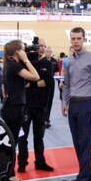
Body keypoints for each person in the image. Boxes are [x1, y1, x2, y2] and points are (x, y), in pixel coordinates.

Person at [60, 26, 91, 181]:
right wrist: (65, 103)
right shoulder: (69, 61)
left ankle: (82, 179)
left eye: (78, 38)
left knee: (85, 142)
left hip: (87, 104)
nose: (76, 41)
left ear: (84, 39)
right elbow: (66, 85)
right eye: (73, 38)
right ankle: (88, 174)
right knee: (78, 143)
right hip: (73, 106)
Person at [0, 39, 40, 181]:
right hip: (14, 108)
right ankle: (9, 175)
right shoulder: (14, 65)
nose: (25, 51)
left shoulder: (10, 65)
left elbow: (26, 83)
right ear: (18, 51)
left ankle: (7, 172)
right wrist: (27, 60)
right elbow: (35, 77)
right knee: (13, 141)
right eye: (23, 49)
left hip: (12, 106)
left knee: (12, 141)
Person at [20, 40, 56, 172]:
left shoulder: (46, 63)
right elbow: (23, 83)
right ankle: (22, 163)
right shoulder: (23, 64)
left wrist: (32, 84)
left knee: (38, 136)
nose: (39, 50)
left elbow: (48, 84)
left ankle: (40, 162)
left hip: (40, 106)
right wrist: (37, 82)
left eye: (42, 47)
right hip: (26, 106)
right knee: (23, 136)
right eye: (37, 47)